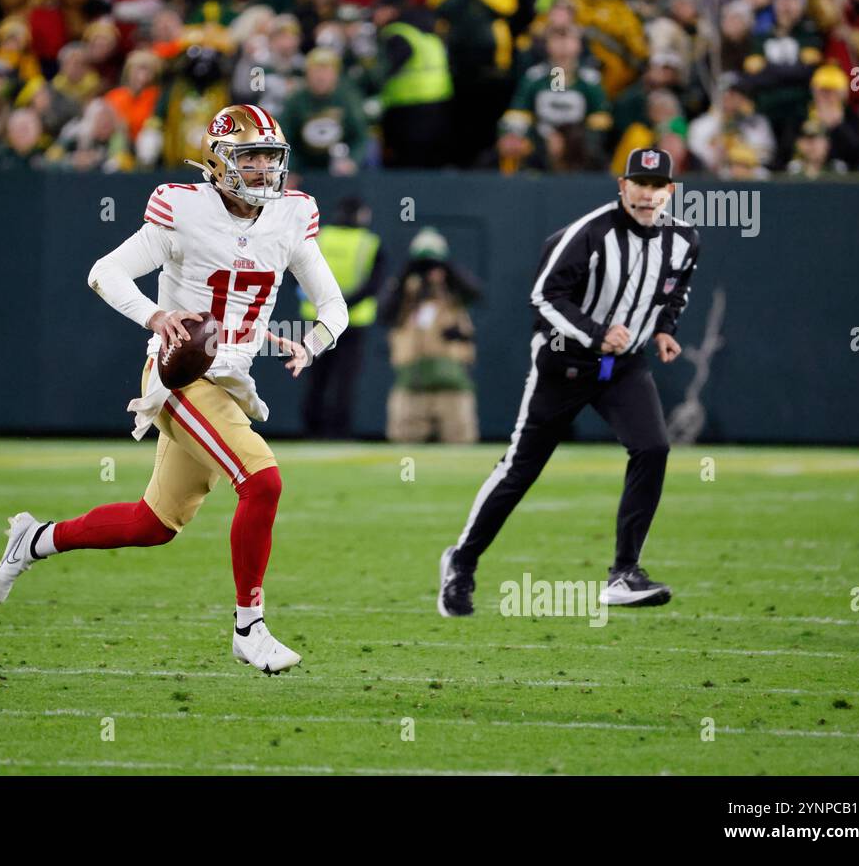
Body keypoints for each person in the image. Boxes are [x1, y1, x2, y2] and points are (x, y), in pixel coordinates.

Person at [0, 104, 349, 674]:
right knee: (263, 481)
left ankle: (35, 540)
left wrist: (313, 342)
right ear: (218, 161)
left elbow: (333, 305)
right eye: (248, 156)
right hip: (178, 374)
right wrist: (155, 316)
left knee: (152, 524)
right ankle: (249, 628)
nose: (261, 169)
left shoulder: (291, 215)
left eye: (269, 157)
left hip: (231, 381)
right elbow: (105, 272)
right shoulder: (183, 209)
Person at [438, 147, 700, 617]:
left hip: (622, 366)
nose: (647, 193)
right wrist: (598, 333)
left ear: (670, 191)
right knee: (522, 468)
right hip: (565, 362)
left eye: (657, 185)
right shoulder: (588, 233)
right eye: (638, 184)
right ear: (622, 186)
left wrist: (664, 330)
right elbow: (544, 295)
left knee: (653, 448)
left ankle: (624, 572)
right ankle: (462, 561)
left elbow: (675, 289)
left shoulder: (683, 239)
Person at [380, 227, 482, 444]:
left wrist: (446, 267)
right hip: (411, 382)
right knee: (405, 444)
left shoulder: (452, 288)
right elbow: (384, 313)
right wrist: (408, 271)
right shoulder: (405, 290)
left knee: (459, 443)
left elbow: (476, 293)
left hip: (452, 381)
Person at [299, 195, 384, 438]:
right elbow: (374, 285)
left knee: (316, 375)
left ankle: (311, 430)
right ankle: (339, 431)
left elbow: (299, 273)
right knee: (345, 379)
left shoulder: (320, 237)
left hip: (319, 321)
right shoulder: (369, 242)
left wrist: (327, 304)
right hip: (353, 323)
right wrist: (342, 306)